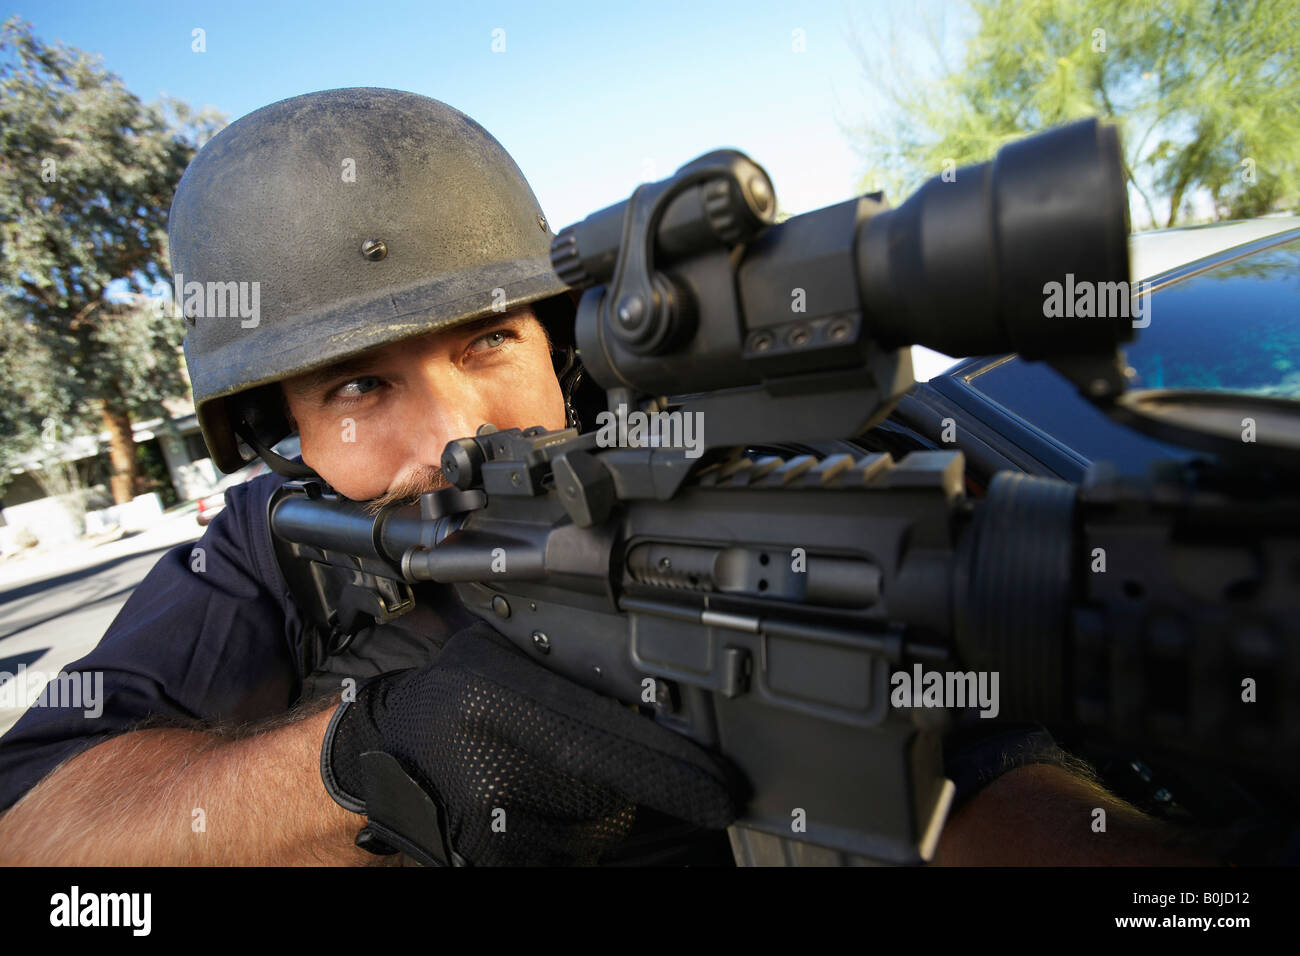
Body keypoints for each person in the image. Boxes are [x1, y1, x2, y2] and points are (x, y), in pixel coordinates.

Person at [0, 88, 1219, 866]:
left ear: (560, 345)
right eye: (359, 387)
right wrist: (358, 760)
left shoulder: (730, 475)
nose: (455, 432)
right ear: (283, 437)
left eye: (486, 341)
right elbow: (38, 833)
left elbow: (979, 788)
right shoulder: (278, 544)